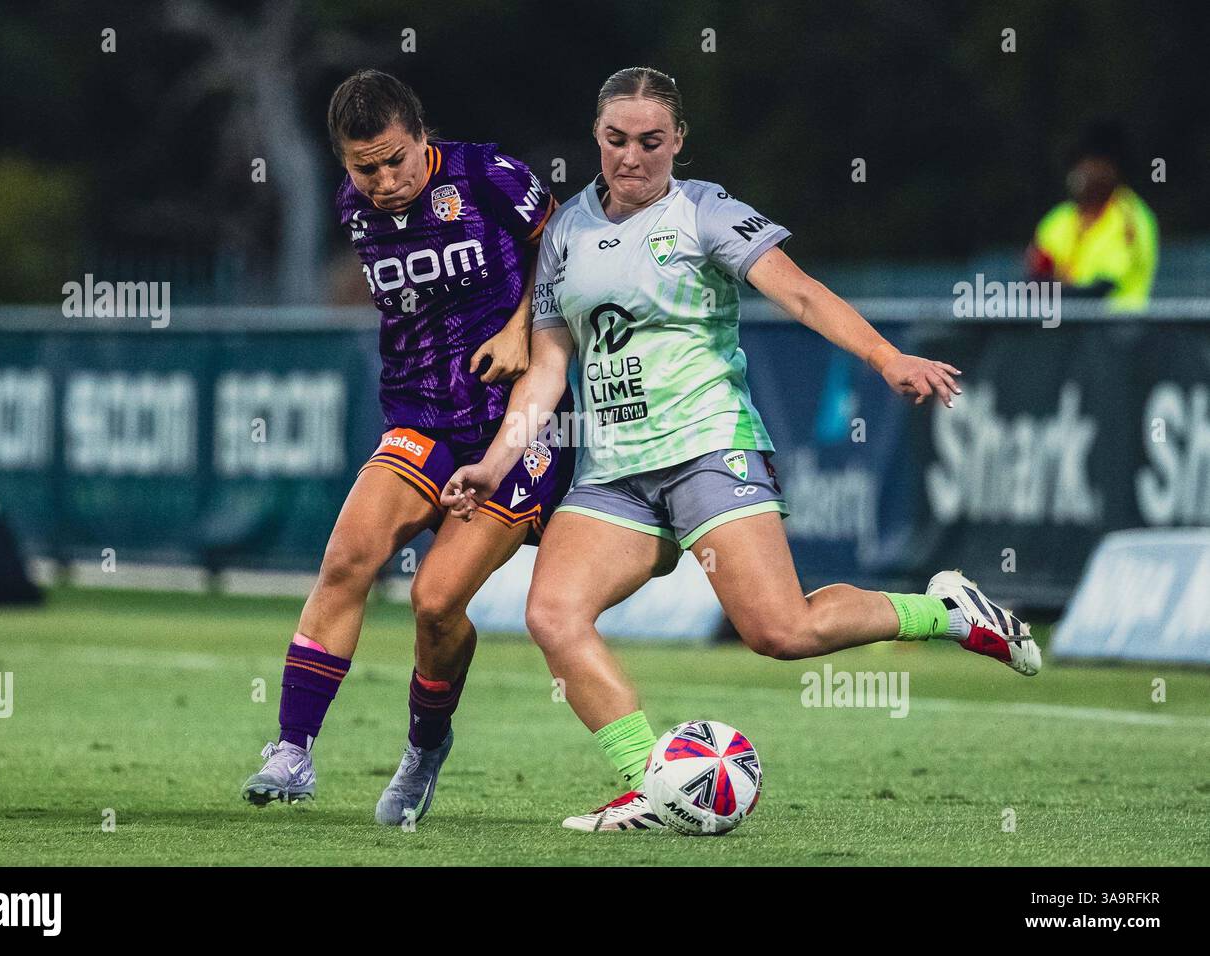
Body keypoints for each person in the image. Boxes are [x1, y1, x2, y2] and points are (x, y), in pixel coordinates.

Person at [441, 67, 1039, 832]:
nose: (632, 158)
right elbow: (550, 368)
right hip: (615, 473)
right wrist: (494, 465)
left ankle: (946, 612)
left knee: (780, 632)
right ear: (597, 138)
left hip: (706, 447)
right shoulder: (565, 234)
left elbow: (799, 293)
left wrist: (886, 358)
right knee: (553, 615)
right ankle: (656, 787)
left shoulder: (704, 212)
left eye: (651, 142)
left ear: (679, 140)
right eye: (616, 140)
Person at [241, 69, 572, 825]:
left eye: (397, 159)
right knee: (348, 558)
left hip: (519, 423)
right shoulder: (350, 208)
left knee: (434, 603)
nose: (385, 181)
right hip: (421, 415)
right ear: (342, 164)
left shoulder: (487, 174)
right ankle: (293, 748)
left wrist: (522, 328)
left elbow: (565, 255)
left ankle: (424, 748)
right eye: (366, 167)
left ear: (423, 136)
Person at [1026, 120, 1158, 311]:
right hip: (1065, 325)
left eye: (1092, 163)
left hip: (1119, 326)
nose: (1082, 172)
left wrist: (1056, 291)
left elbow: (1101, 289)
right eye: (1079, 164)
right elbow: (1034, 281)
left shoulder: (1130, 217)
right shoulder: (1058, 219)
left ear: (1112, 168)